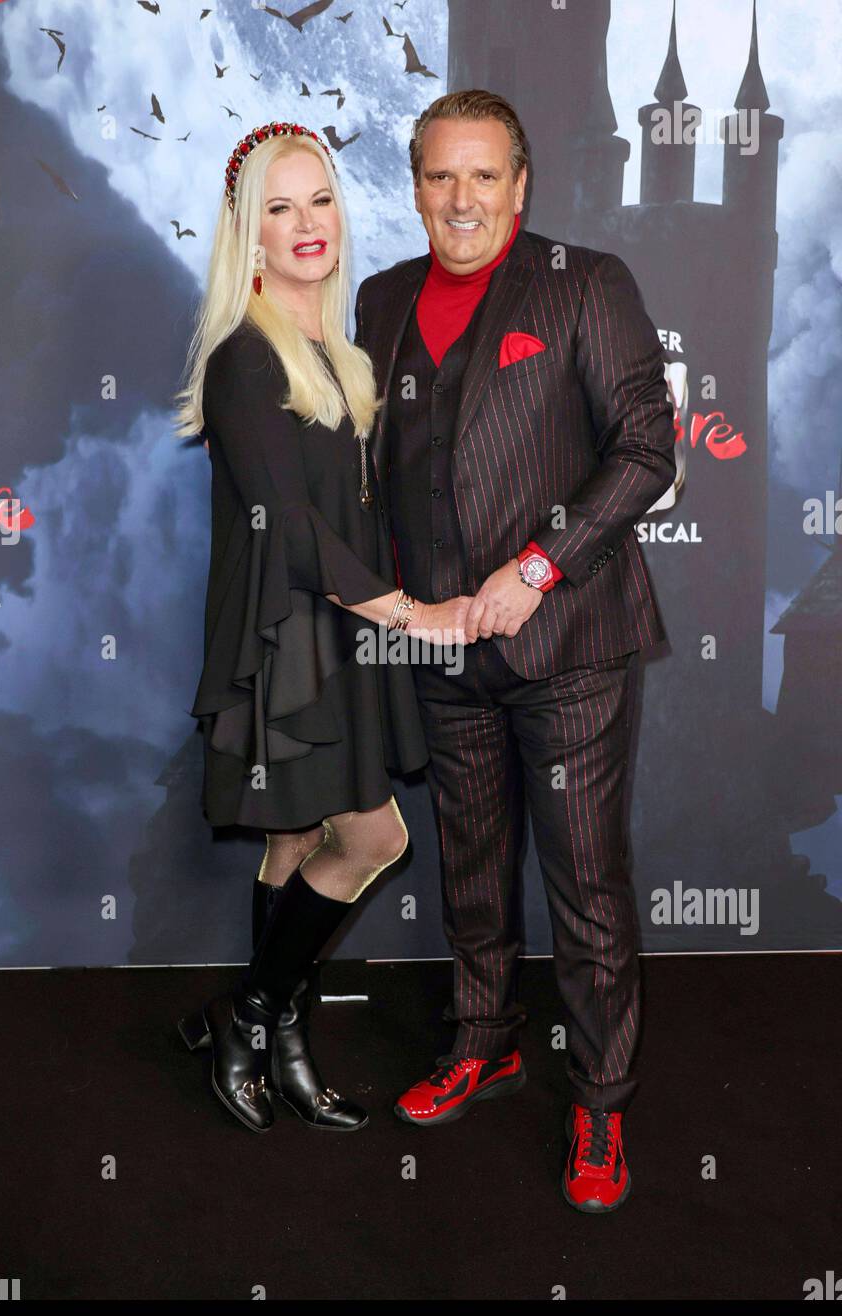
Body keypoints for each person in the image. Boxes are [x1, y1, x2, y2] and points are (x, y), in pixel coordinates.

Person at [354, 91, 677, 1210]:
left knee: (586, 885)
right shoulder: (383, 298)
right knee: (473, 869)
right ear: (415, 187)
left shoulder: (586, 282)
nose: (461, 199)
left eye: (483, 176)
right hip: (442, 653)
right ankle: (483, 1039)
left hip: (571, 644)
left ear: (522, 185)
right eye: (440, 176)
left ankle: (600, 1102)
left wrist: (536, 568)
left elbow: (645, 447)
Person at [172, 119, 472, 1135]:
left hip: (333, 638)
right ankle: (247, 1010)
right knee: (373, 835)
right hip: (287, 637)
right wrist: (410, 614)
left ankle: (275, 1037)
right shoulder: (245, 358)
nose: (307, 224)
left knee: (301, 836)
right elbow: (293, 535)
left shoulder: (334, 351)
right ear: (248, 236)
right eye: (279, 208)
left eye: (320, 200)